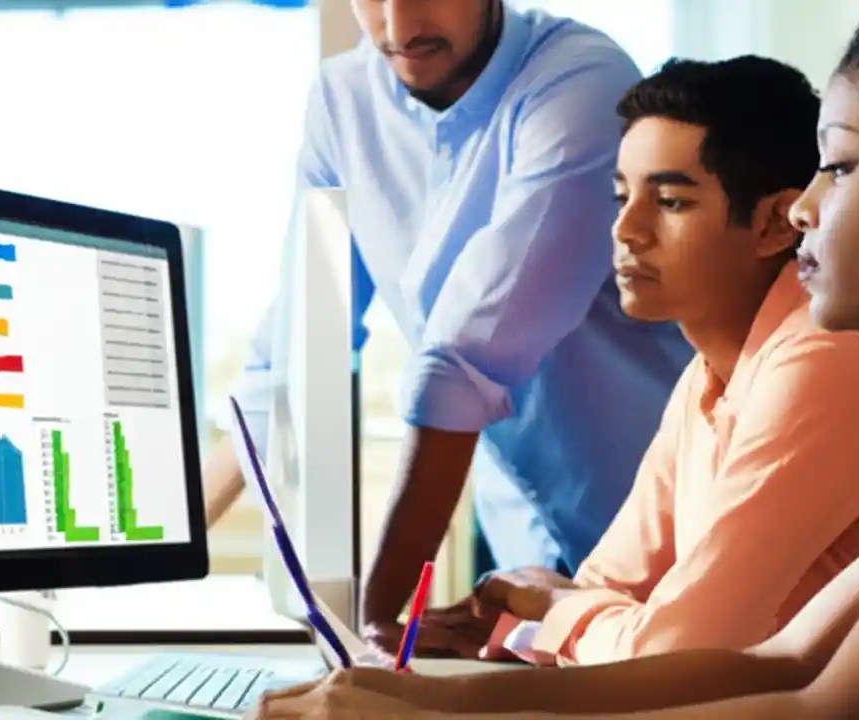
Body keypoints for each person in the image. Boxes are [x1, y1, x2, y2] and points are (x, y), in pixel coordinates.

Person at [249, 0, 859, 716]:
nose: (808, 208)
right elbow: (786, 661)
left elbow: (822, 704)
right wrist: (437, 703)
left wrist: (511, 651)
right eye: (619, 197)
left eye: (837, 168)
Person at [202, 0, 693, 651]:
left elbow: (463, 366)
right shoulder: (344, 101)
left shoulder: (582, 83)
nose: (399, 27)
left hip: (665, 548)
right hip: (528, 563)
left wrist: (364, 631)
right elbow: (290, 359)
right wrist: (138, 561)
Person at [428, 54, 859, 669]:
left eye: (669, 202)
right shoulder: (708, 373)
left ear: (777, 222)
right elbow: (609, 585)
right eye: (621, 196)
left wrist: (552, 612)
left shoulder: (825, 362)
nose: (626, 229)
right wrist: (536, 621)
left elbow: (675, 647)